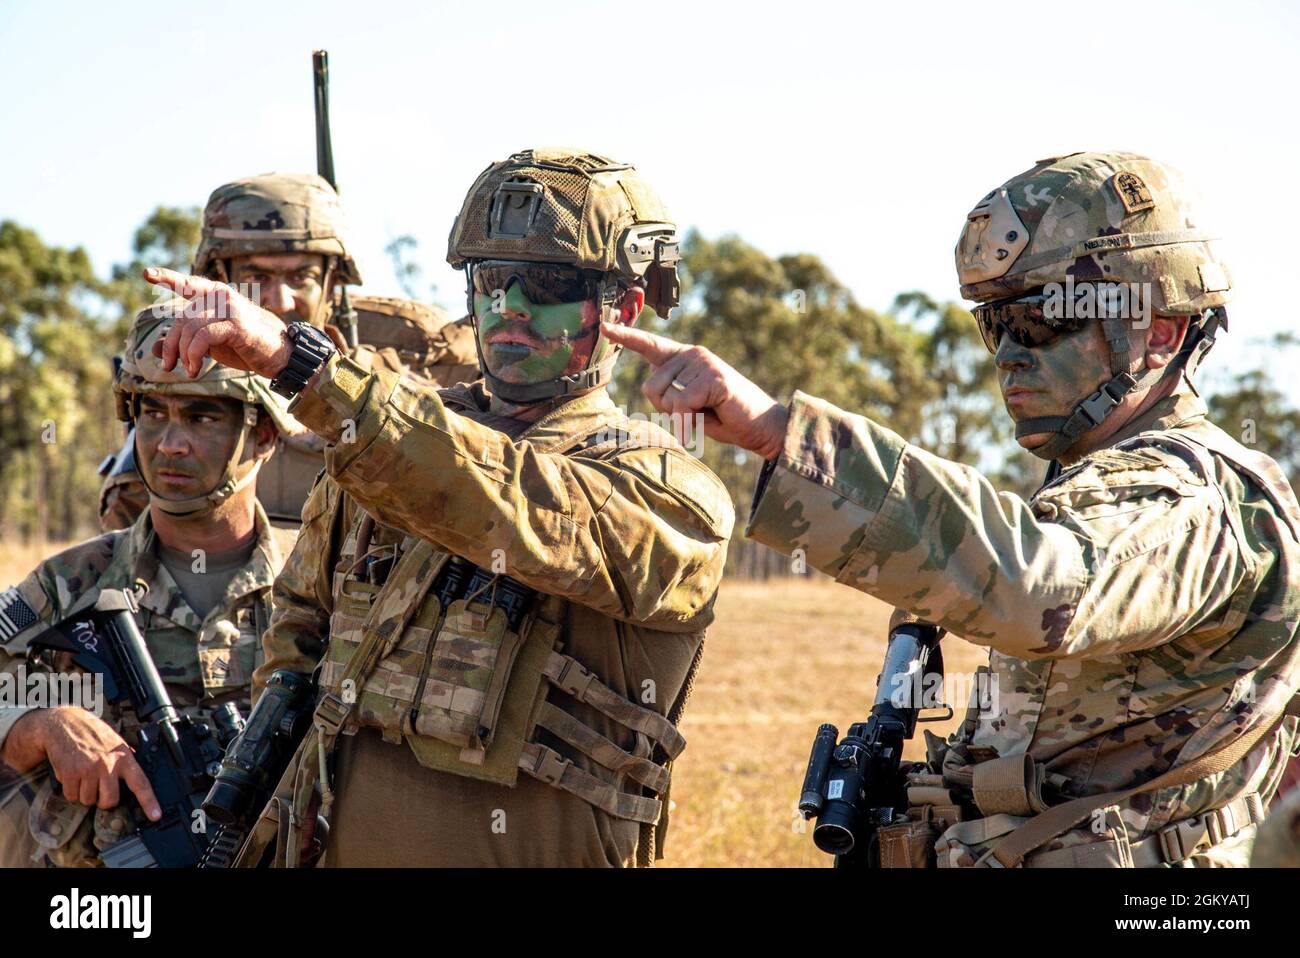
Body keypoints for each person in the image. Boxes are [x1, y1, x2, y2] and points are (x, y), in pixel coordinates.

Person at [605, 151, 1300, 867]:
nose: (1007, 355)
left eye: (1038, 321)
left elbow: (1040, 585)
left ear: (1159, 330)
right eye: (993, 322)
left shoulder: (1194, 494)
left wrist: (785, 435)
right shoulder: (1095, 485)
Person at [144, 148, 734, 867]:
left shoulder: (670, 490)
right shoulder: (382, 452)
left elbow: (515, 507)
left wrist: (300, 365)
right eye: (492, 280)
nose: (510, 307)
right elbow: (298, 644)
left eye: (548, 283)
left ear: (626, 307)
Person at [0, 304, 298, 866]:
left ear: (262, 436)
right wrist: (39, 725)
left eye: (203, 417)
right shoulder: (69, 584)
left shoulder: (319, 585)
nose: (169, 444)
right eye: (153, 413)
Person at [98, 172, 479, 531]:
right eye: (257, 277)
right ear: (219, 279)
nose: (279, 300)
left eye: (302, 278)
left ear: (332, 284)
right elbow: (133, 538)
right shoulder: (176, 374)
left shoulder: (392, 382)